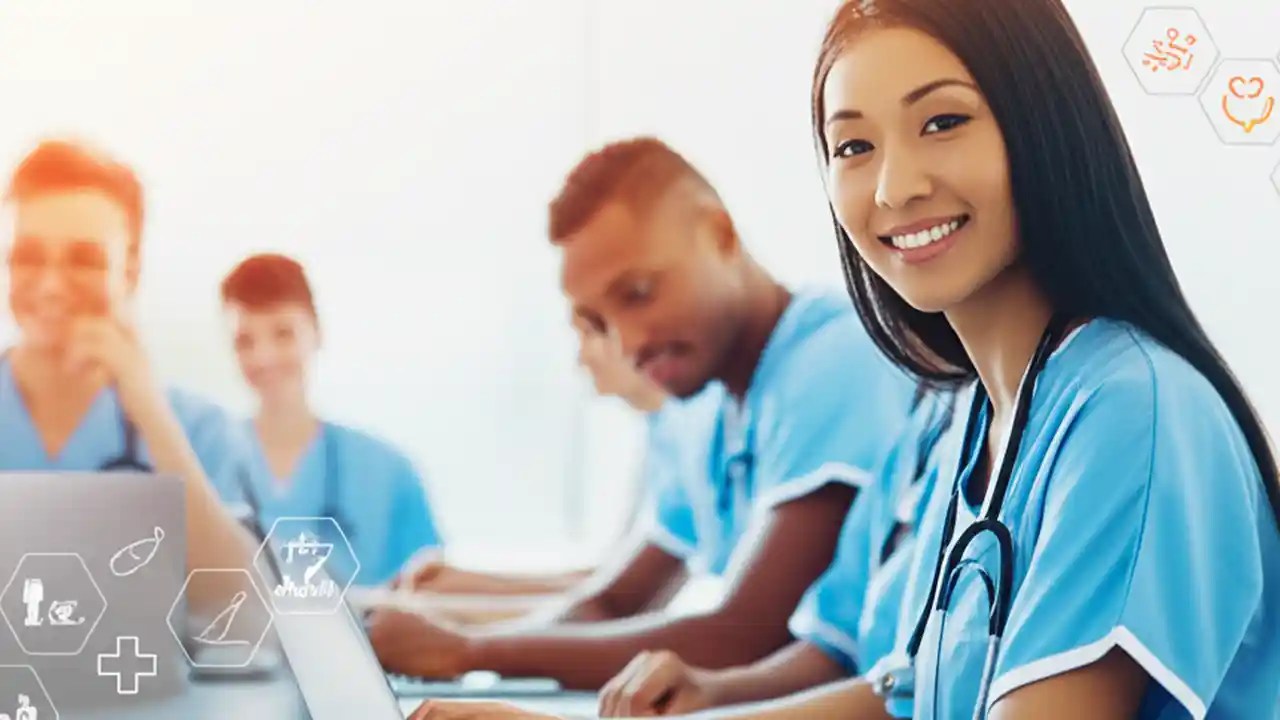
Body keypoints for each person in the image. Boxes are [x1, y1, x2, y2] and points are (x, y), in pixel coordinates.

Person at [412, 0, 1280, 717]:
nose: (895, 187)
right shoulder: (972, 422)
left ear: (1041, 124)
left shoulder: (1132, 410)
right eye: (854, 146)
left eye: (942, 122)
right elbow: (891, 696)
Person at [371, 136, 917, 691]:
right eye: (599, 323)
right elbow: (612, 602)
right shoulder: (701, 412)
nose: (627, 342)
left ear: (720, 235)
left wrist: (469, 650)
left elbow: (742, 635)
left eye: (637, 293)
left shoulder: (836, 358)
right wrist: (454, 659)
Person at [0, 139, 257, 606]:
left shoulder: (200, 430)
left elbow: (239, 611)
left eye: (84, 260)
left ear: (131, 272)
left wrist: (149, 411)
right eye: (28, 256)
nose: (51, 284)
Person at [596, 387, 956, 717]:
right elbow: (835, 649)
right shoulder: (922, 431)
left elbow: (928, 689)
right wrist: (713, 691)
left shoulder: (839, 379)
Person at [390, 313, 669, 603]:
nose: (580, 359)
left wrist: (462, 611)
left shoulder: (687, 438)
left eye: (591, 333)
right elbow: (615, 582)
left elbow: (631, 599)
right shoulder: (660, 435)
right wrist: (472, 583)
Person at [220, 253, 442, 586]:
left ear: (318, 332)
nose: (263, 357)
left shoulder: (389, 474)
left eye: (283, 334)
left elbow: (432, 596)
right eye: (244, 341)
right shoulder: (204, 464)